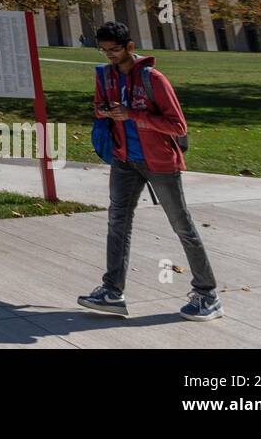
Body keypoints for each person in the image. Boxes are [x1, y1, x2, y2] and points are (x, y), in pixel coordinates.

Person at [79, 21, 222, 322]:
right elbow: (97, 108)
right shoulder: (104, 75)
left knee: (182, 225)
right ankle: (112, 292)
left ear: (130, 46)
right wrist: (105, 111)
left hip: (158, 162)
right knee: (118, 221)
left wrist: (133, 115)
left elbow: (178, 126)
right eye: (104, 51)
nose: (110, 56)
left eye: (115, 50)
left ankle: (207, 295)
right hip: (123, 160)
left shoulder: (153, 78)